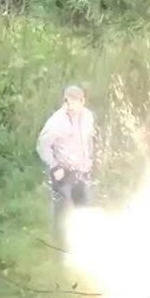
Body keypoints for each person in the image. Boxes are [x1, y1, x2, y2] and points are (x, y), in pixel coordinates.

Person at [36, 85, 96, 247]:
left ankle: (83, 241)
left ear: (83, 101)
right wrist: (54, 166)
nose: (70, 106)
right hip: (62, 171)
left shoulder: (88, 117)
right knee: (61, 206)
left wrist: (89, 160)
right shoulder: (56, 122)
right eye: (67, 102)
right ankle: (58, 243)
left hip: (81, 170)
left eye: (74, 103)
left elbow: (88, 140)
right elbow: (43, 146)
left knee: (83, 205)